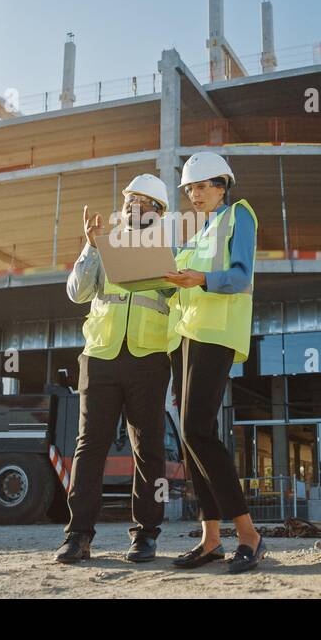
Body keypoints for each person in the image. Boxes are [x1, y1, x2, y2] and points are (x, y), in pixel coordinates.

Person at [54, 173, 176, 564]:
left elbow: (180, 299)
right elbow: (77, 293)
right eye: (128, 200)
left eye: (142, 202)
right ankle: (77, 536)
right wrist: (90, 247)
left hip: (149, 359)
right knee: (89, 447)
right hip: (101, 357)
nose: (131, 206)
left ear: (158, 213)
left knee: (149, 449)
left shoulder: (169, 251)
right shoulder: (102, 247)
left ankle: (146, 535)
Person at [163, 151, 265, 574]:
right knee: (190, 438)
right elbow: (185, 286)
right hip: (185, 337)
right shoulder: (197, 233)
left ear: (223, 186)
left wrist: (201, 278)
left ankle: (249, 535)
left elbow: (240, 276)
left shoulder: (238, 216)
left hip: (216, 333)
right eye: (190, 189)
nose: (195, 194)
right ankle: (210, 540)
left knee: (195, 429)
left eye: (203, 186)